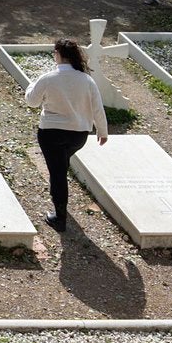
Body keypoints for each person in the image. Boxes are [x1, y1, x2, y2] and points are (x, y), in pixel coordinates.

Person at [23, 37, 109, 233]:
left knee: (58, 172)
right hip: (78, 135)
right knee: (61, 165)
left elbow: (32, 102)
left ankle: (59, 217)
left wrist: (30, 86)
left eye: (55, 52)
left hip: (51, 133)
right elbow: (97, 109)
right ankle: (60, 203)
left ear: (59, 54)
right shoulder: (87, 80)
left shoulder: (48, 78)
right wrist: (102, 131)